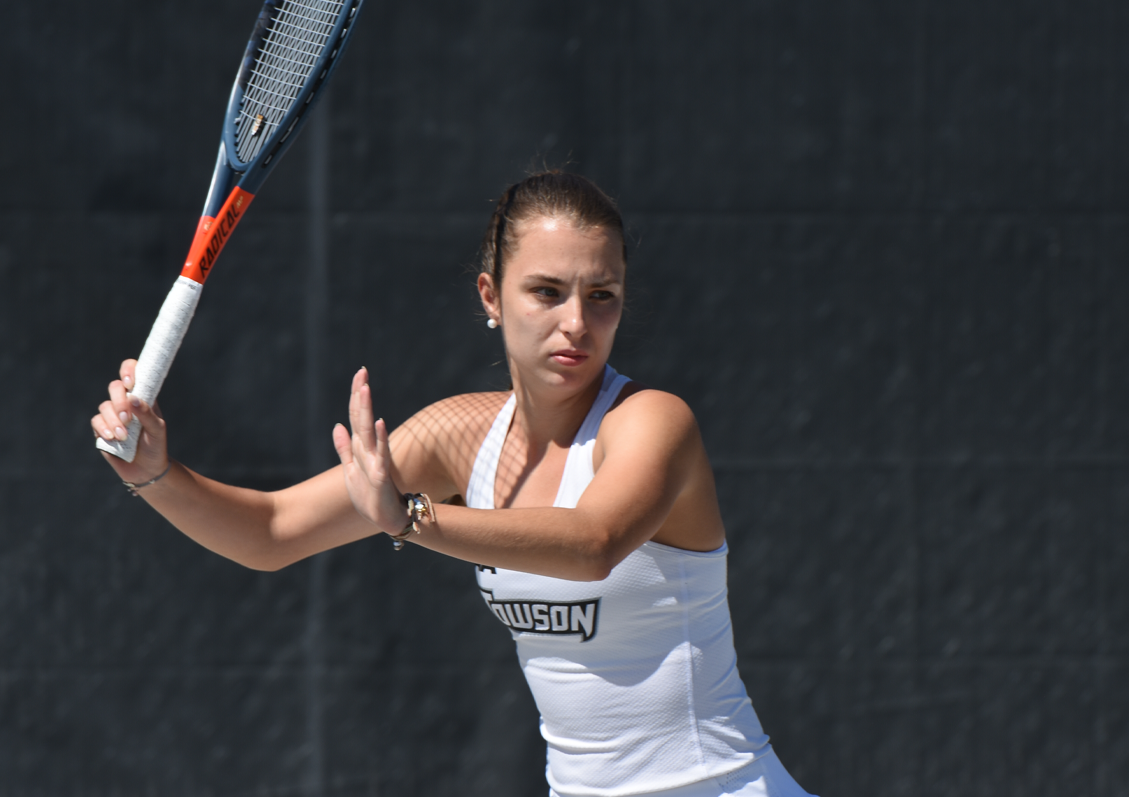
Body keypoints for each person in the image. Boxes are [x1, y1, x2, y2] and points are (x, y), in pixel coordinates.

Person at [92, 171, 817, 797]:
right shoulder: (460, 435)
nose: (576, 322)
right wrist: (157, 473)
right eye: (546, 291)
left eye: (602, 295)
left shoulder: (652, 422)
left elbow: (593, 543)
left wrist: (410, 519)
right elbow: (273, 531)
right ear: (490, 296)